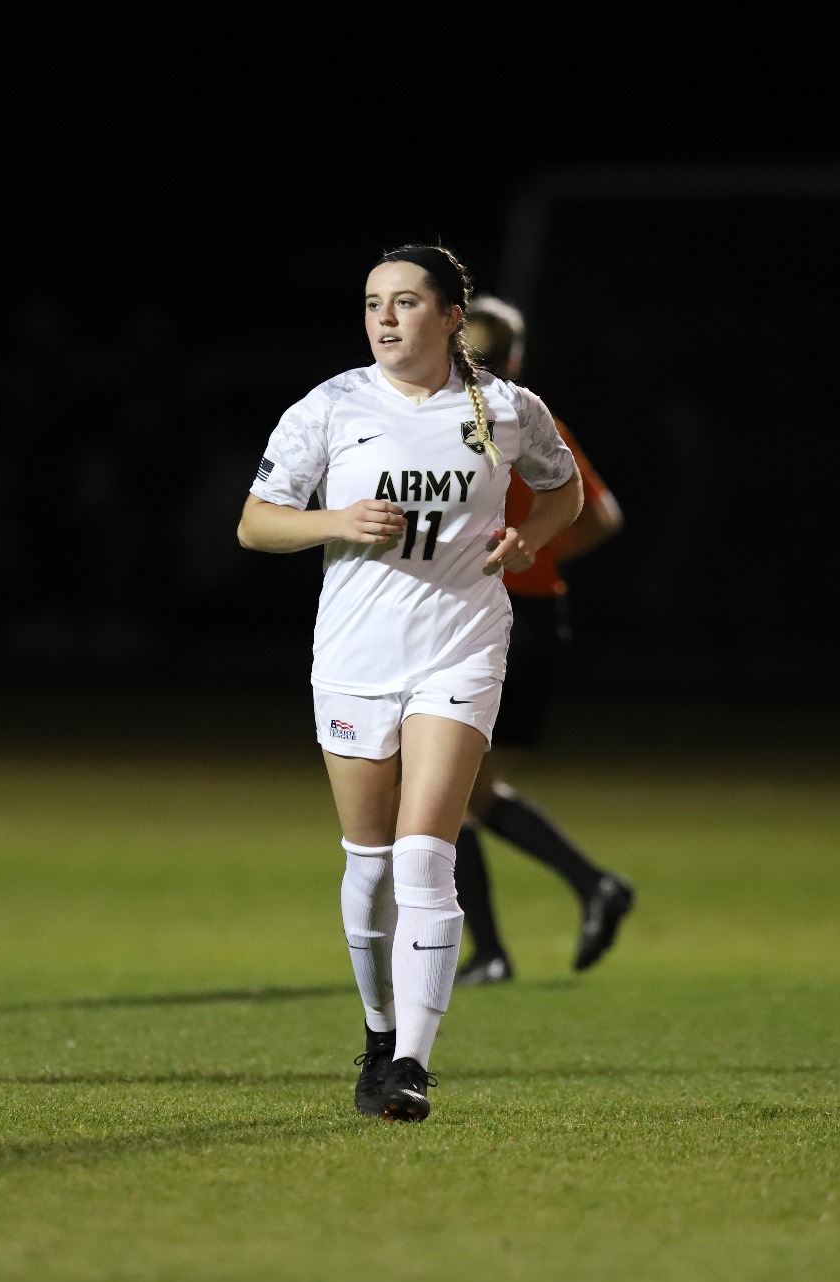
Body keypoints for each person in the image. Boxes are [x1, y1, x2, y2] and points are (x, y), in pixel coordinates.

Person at [239, 245, 583, 1121]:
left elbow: (566, 489)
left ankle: (413, 1068)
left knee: (428, 852)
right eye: (372, 304)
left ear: (450, 318)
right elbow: (254, 524)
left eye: (403, 303)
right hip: (355, 657)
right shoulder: (330, 406)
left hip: (461, 648)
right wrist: (334, 520)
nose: (384, 318)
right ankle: (379, 1033)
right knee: (371, 861)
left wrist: (530, 538)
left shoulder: (505, 409)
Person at [450, 296, 635, 986]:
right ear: (518, 357)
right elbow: (603, 515)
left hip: (492, 622)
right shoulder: (533, 417)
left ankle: (494, 949)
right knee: (469, 788)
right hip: (535, 619)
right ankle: (589, 889)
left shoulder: (458, 419)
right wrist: (540, 551)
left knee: (444, 787)